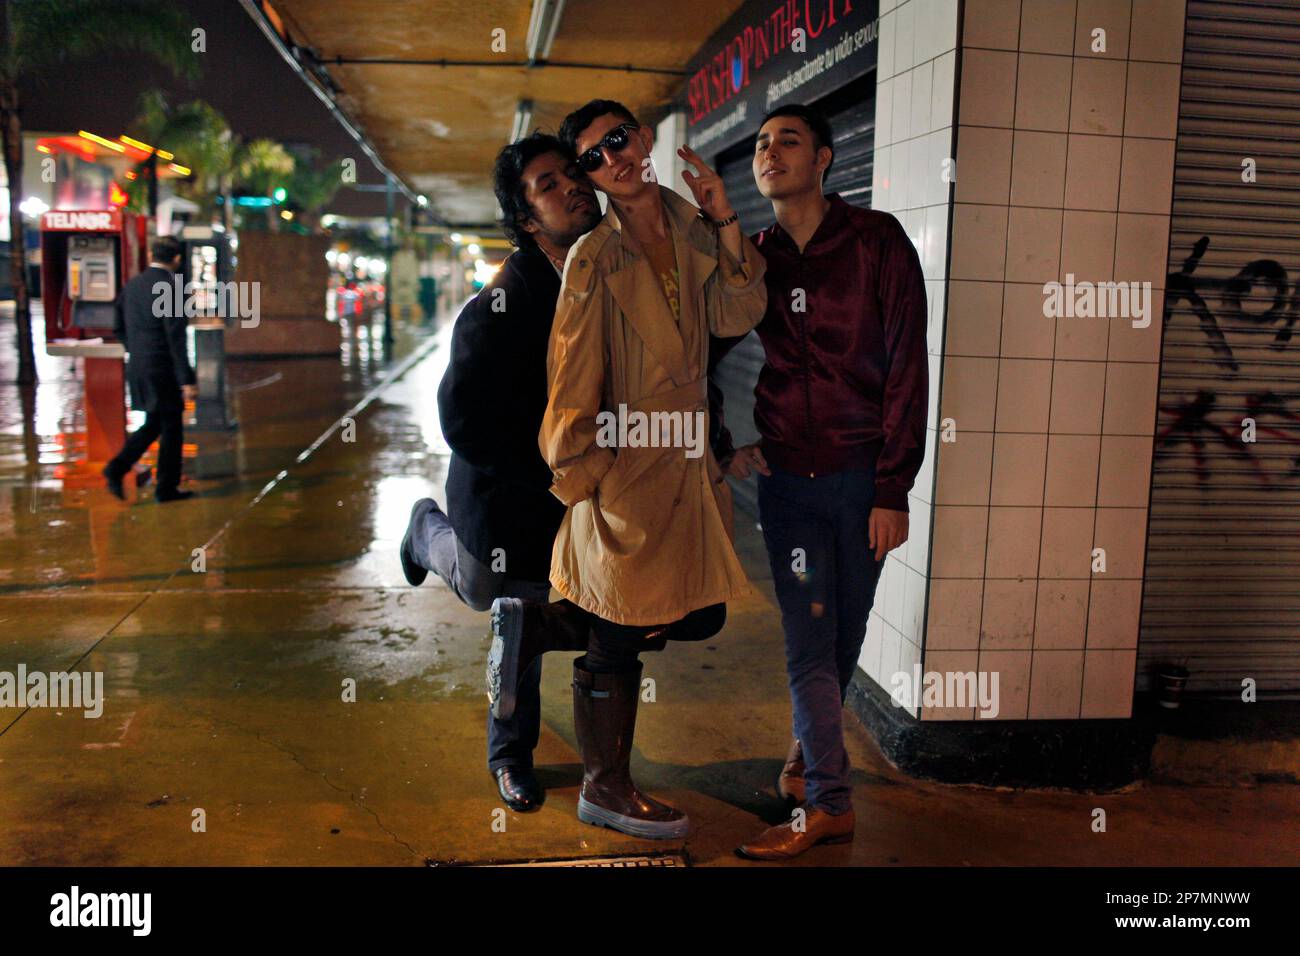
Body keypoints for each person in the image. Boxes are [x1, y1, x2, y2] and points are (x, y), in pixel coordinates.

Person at [493, 99, 767, 840]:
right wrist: (591, 482)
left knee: (691, 612)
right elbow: (569, 383)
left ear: (643, 139)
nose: (612, 158)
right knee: (616, 631)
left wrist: (727, 218)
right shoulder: (593, 256)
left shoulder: (687, 223)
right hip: (625, 472)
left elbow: (738, 311)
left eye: (618, 139)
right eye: (591, 157)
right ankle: (605, 786)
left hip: (685, 466)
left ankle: (535, 621)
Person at [721, 104, 929, 860]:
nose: (770, 152)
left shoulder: (877, 243)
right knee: (809, 637)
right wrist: (721, 441)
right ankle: (829, 805)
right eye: (761, 145)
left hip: (861, 481)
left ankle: (808, 758)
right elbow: (697, 348)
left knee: (842, 633)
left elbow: (908, 366)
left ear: (826, 159)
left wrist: (892, 487)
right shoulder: (753, 257)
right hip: (790, 488)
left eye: (788, 141)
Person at [398, 133, 602, 812]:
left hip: (574, 494)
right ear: (526, 218)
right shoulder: (502, 305)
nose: (571, 186)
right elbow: (460, 421)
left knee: (531, 614)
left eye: (572, 174)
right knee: (495, 598)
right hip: (503, 491)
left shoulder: (603, 275)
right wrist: (546, 475)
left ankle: (511, 752)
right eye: (548, 184)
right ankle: (427, 529)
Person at [103, 235, 196, 503]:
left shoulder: (133, 286)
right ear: (177, 259)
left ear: (152, 256)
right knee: (171, 428)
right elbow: (175, 337)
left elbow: (118, 326)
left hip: (139, 364)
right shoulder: (173, 288)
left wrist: (137, 350)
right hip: (162, 368)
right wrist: (186, 379)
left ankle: (121, 469)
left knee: (157, 422)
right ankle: (163, 487)